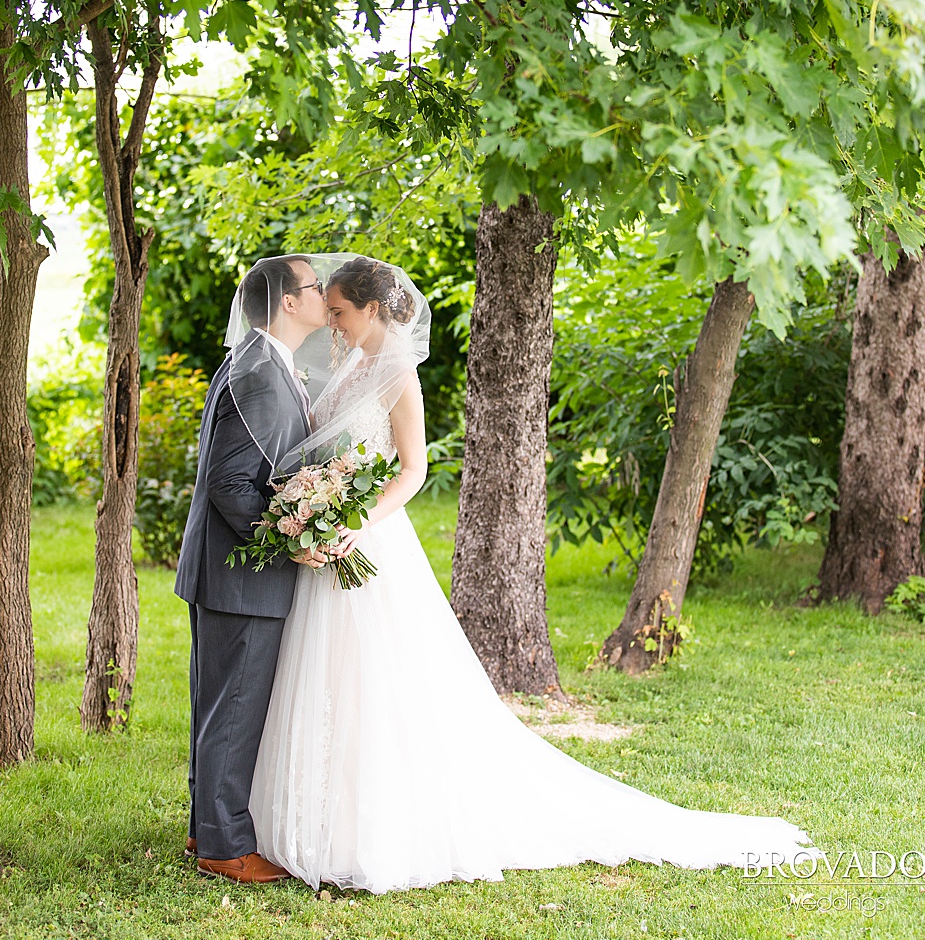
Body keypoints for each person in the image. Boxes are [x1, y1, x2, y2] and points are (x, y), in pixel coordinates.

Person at [238, 255, 820, 892]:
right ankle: (311, 817)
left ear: (373, 309)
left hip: (368, 539)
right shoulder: (348, 365)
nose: (333, 323)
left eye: (341, 312)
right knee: (326, 675)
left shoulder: (400, 374)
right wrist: (315, 504)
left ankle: (370, 829)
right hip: (328, 541)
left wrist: (355, 519)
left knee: (374, 682)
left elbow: (413, 470)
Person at [175, 255, 327, 882]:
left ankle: (206, 828)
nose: (323, 294)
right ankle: (225, 848)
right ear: (288, 301)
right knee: (233, 711)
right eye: (314, 287)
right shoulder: (261, 372)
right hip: (240, 575)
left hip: (226, 571)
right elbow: (231, 482)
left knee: (218, 707)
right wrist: (289, 538)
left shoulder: (261, 361)